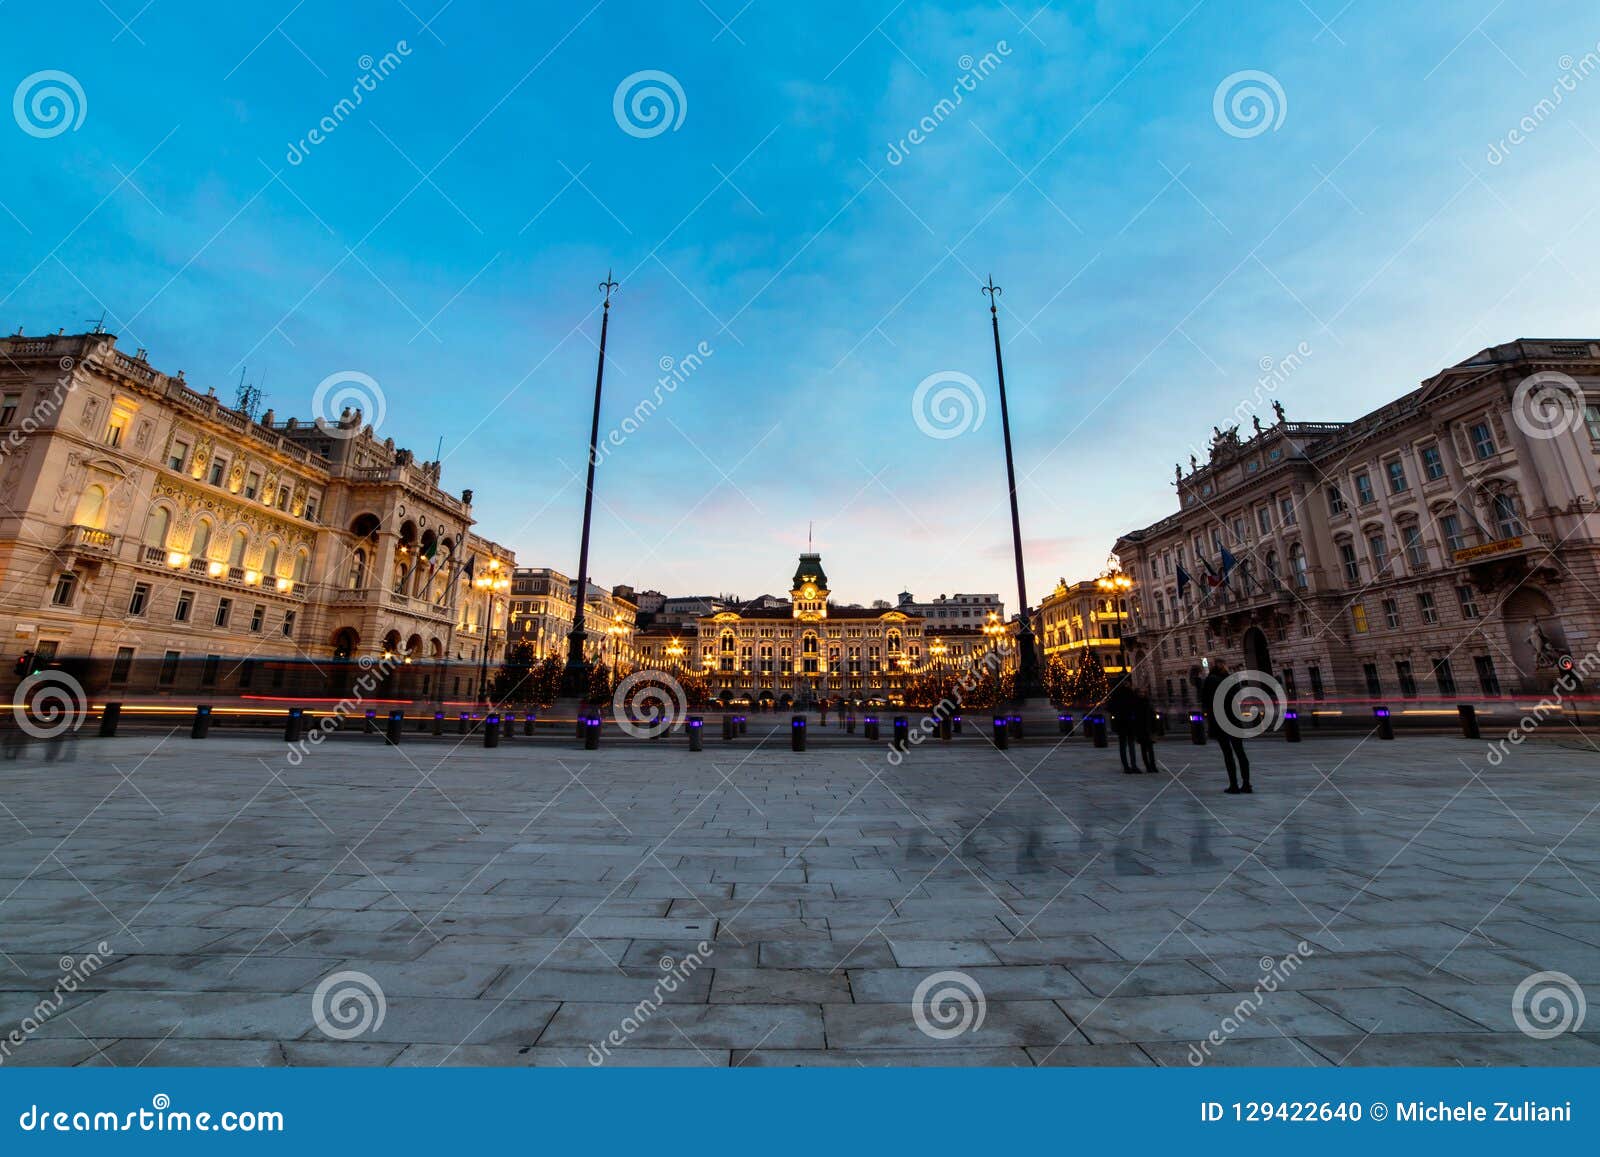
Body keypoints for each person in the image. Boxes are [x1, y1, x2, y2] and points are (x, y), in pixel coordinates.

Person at [1199, 661, 1252, 794]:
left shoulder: (1210, 680)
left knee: (1227, 754)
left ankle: (1233, 785)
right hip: (1234, 720)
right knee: (1240, 752)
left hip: (1219, 720)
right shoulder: (1231, 679)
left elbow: (1204, 699)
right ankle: (1246, 784)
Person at [1108, 677, 1138, 774]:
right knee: (1130, 745)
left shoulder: (1116, 693)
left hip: (1122, 722)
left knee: (1124, 746)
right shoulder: (1129, 693)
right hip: (1127, 722)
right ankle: (1132, 765)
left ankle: (1127, 766)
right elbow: (1135, 706)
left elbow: (1110, 707)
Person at [1133, 684, 1160, 773]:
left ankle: (1153, 766)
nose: (1142, 694)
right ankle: (1148, 766)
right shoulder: (1136, 703)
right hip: (1141, 729)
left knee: (1150, 749)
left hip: (1149, 728)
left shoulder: (1148, 702)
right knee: (1144, 749)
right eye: (1140, 692)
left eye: (1143, 692)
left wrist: (1155, 727)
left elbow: (1152, 715)